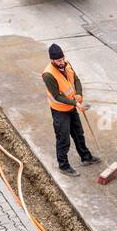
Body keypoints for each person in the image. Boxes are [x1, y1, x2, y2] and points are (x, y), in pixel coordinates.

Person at [42, 43, 99, 177]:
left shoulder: (67, 64)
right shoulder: (48, 75)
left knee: (78, 133)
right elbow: (57, 96)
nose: (61, 62)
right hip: (60, 110)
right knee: (63, 138)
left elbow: (76, 80)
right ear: (52, 60)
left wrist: (79, 94)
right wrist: (75, 103)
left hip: (72, 106)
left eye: (62, 59)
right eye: (58, 60)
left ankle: (86, 157)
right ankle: (63, 166)